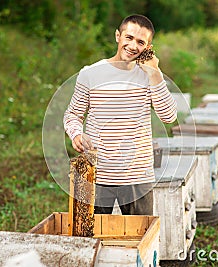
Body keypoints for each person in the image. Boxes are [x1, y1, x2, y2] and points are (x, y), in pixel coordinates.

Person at [64, 14, 177, 215]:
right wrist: (76, 134)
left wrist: (156, 72)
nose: (133, 46)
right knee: (94, 237)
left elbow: (169, 116)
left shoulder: (149, 76)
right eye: (129, 38)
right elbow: (73, 114)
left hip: (138, 176)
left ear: (148, 47)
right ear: (118, 36)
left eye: (141, 42)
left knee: (140, 238)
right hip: (97, 174)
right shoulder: (90, 73)